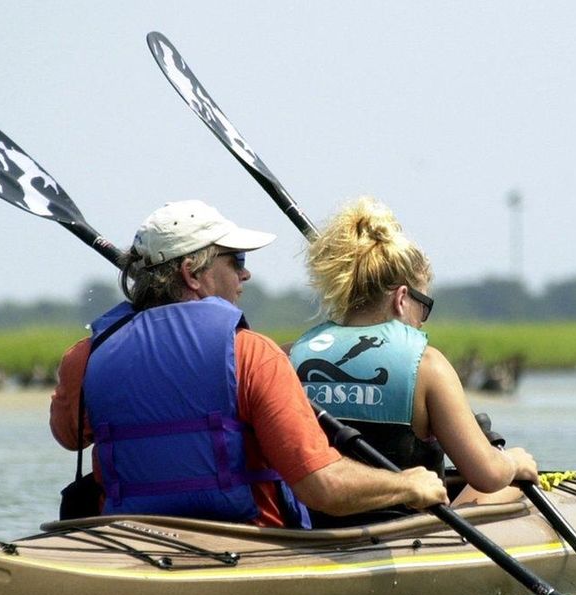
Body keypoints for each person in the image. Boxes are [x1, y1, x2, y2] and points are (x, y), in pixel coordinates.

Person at [50, 200, 446, 528]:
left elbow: (69, 436)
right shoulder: (253, 354)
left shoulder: (86, 356)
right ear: (192, 273)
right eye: (235, 260)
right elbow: (322, 488)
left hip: (131, 539)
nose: (246, 272)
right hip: (252, 545)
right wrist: (407, 485)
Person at [289, 196, 538, 524]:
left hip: (309, 530)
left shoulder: (286, 356)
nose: (423, 321)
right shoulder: (428, 365)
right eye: (425, 306)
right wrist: (515, 462)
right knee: (510, 486)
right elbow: (487, 475)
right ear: (402, 298)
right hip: (404, 531)